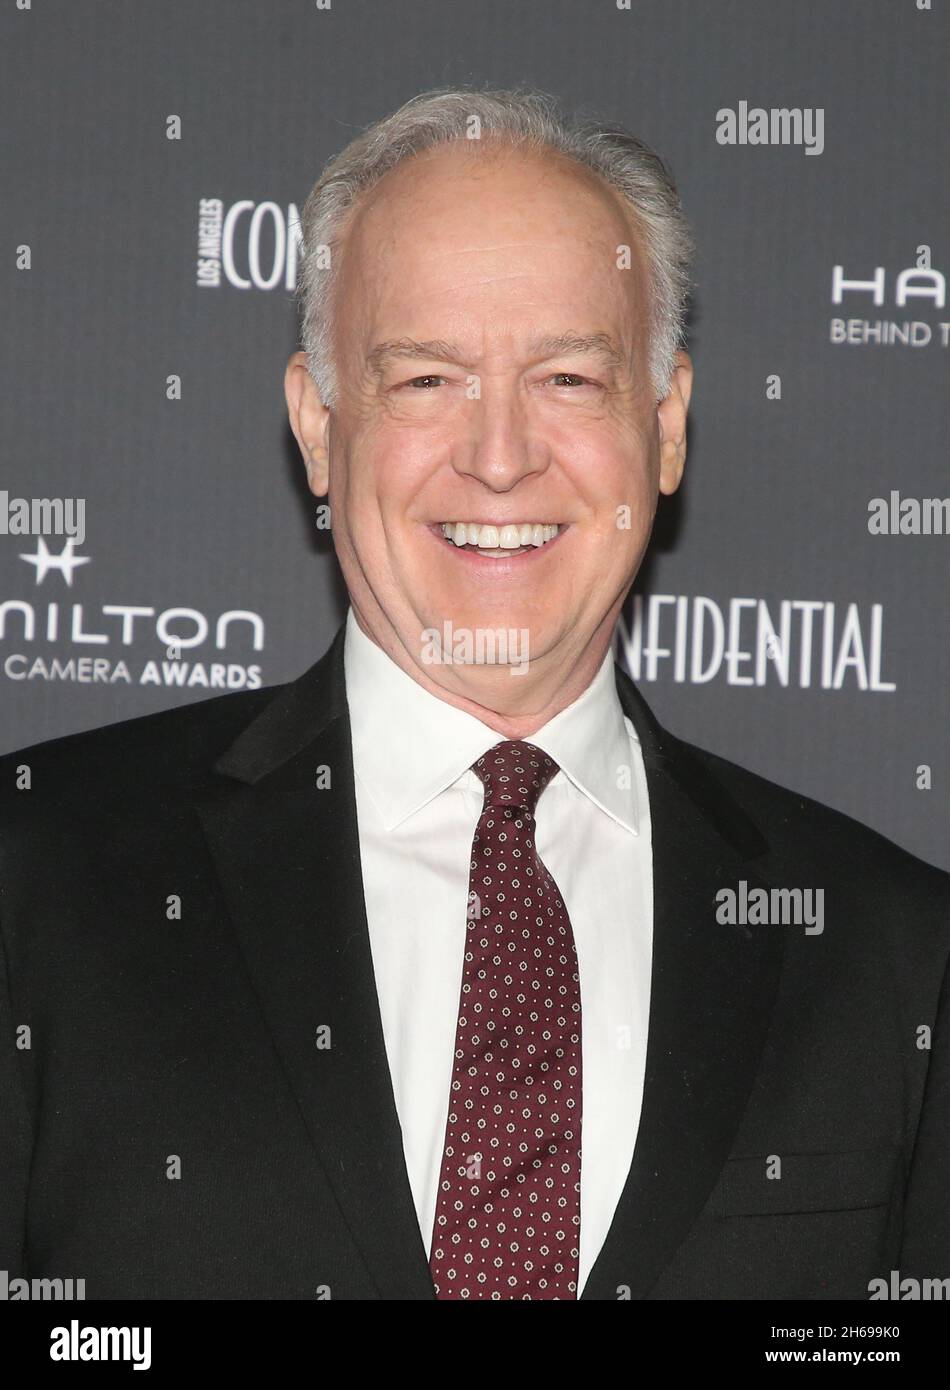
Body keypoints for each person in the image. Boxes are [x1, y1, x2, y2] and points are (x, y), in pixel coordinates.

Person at [1, 87, 947, 1301]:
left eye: (564, 377)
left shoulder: (886, 953)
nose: (498, 456)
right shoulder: (39, 880)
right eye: (424, 380)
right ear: (316, 422)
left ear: (664, 428)